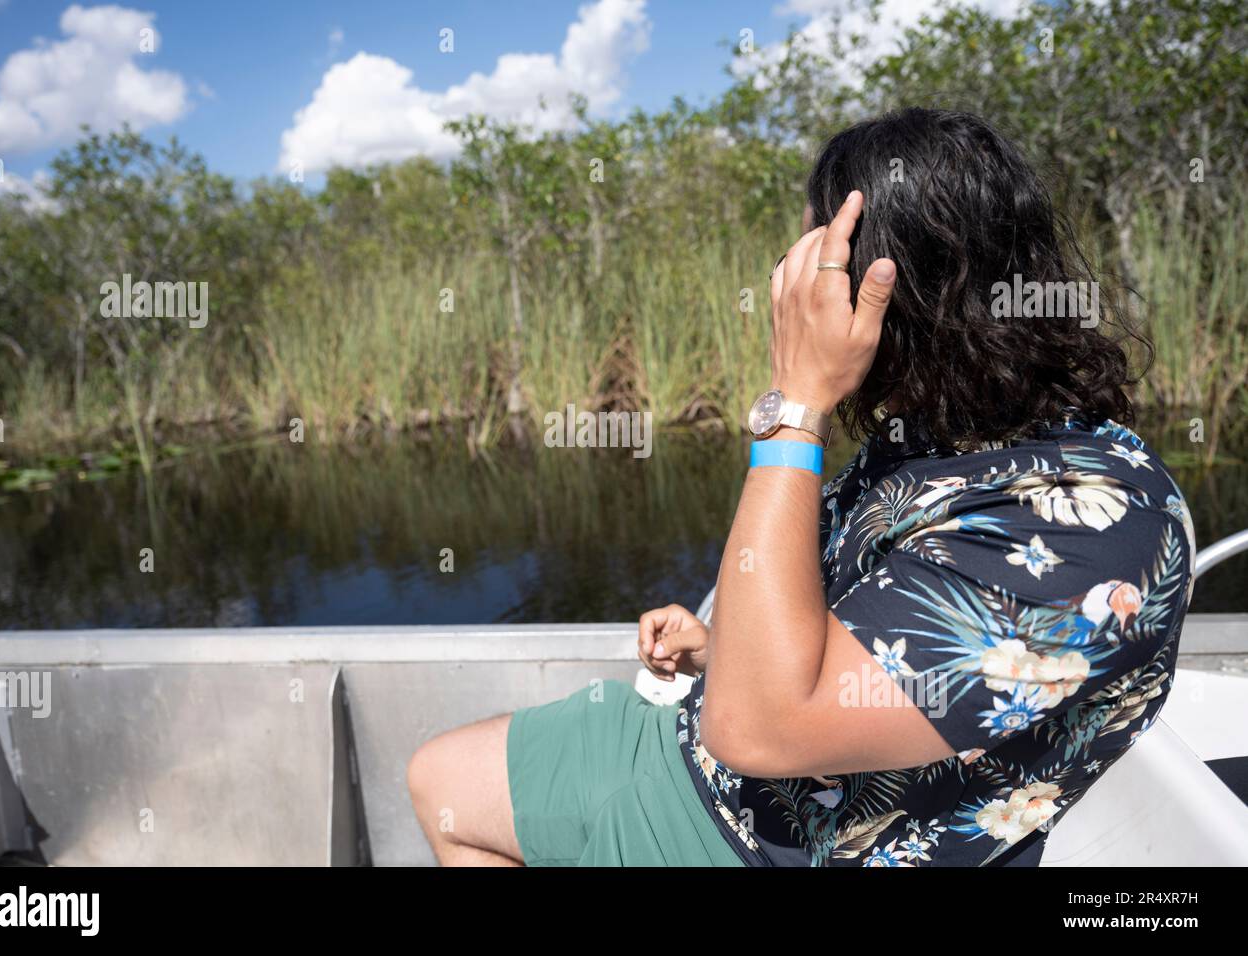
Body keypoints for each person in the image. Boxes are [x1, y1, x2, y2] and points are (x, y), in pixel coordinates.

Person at [406, 108, 1195, 867]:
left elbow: (760, 729)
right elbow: (864, 645)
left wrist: (799, 404)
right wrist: (724, 651)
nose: (795, 283)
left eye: (825, 255)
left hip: (786, 842)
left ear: (904, 292)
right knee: (440, 779)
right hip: (715, 752)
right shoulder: (937, 428)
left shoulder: (1088, 531)